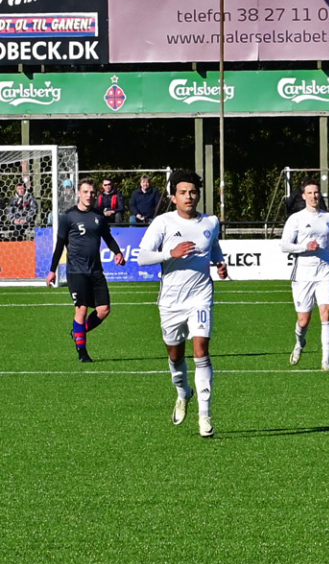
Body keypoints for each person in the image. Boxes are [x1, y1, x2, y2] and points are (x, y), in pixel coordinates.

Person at [136, 170, 227, 436]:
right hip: (171, 302)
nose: (189, 197)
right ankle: (182, 392)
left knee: (201, 351)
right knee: (175, 356)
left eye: (193, 192)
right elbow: (142, 257)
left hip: (200, 296)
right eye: (184, 192)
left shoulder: (211, 221)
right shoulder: (163, 223)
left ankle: (205, 416)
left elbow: (214, 247)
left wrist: (219, 263)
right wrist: (170, 253)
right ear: (173, 196)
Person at [46, 178, 125, 362]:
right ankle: (82, 352)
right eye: (85, 192)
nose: (89, 195)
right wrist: (52, 270)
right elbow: (59, 245)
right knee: (81, 309)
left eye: (92, 192)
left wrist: (118, 252)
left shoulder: (99, 216)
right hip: (76, 271)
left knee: (104, 310)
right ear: (79, 194)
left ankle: (78, 331)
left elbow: (108, 238)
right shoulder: (68, 216)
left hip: (96, 270)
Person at [280, 179, 329, 372]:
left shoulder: (328, 218)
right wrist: (304, 247)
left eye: (316, 192)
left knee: (326, 312)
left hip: (325, 271)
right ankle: (300, 343)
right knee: (304, 321)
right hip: (303, 274)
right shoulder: (296, 219)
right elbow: (285, 245)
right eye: (310, 193)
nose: (314, 196)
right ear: (304, 196)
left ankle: (326, 361)